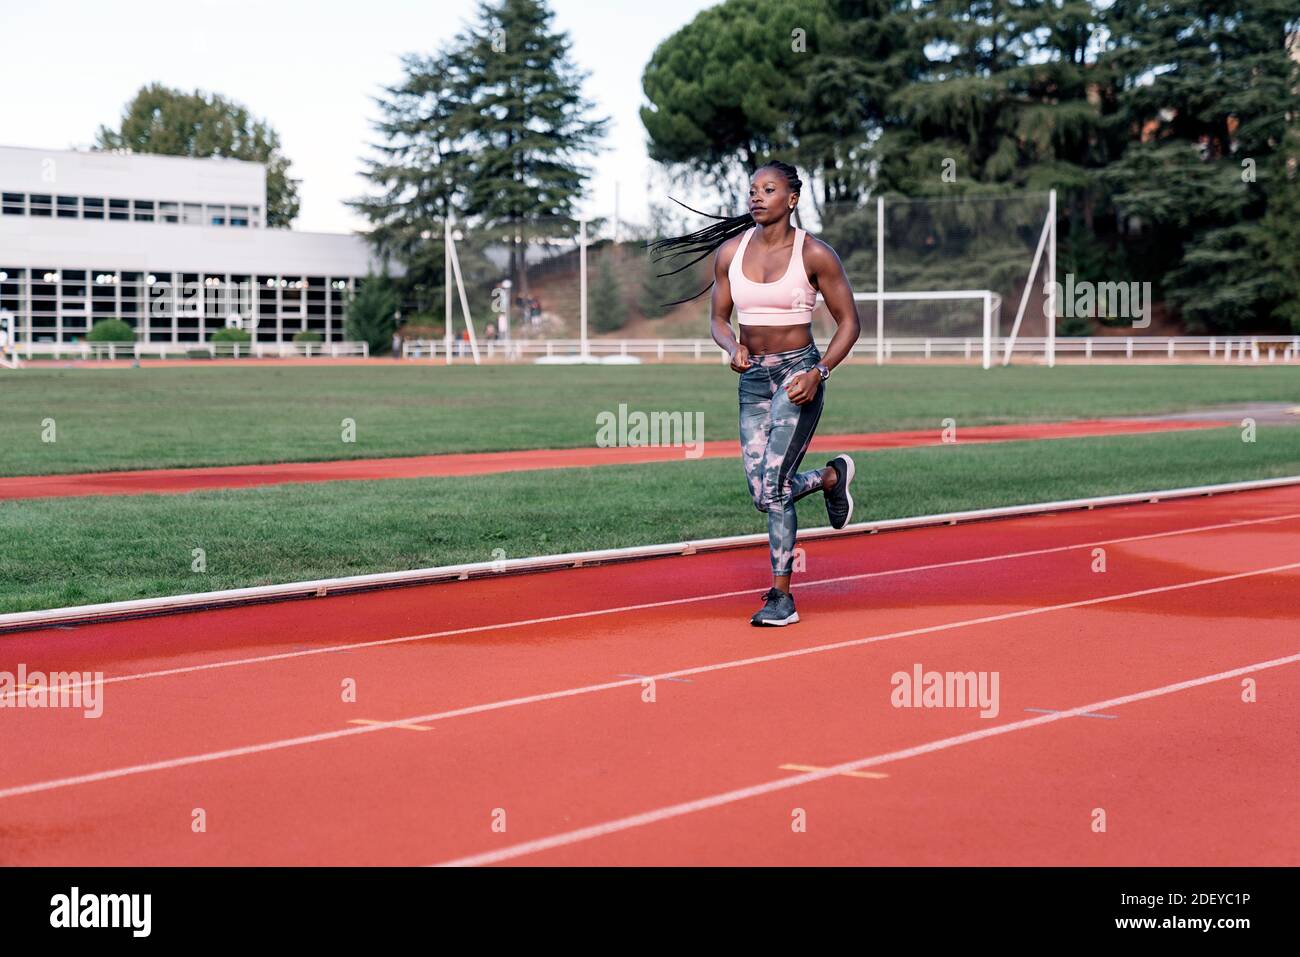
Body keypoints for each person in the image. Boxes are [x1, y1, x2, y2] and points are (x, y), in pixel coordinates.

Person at [649, 161, 861, 627]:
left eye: (769, 189)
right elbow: (719, 320)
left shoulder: (815, 255)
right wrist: (733, 346)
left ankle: (781, 597)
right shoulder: (729, 253)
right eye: (752, 190)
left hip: (797, 375)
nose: (757, 197)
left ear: (792, 199)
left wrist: (820, 372)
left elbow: (850, 323)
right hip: (753, 380)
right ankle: (829, 478)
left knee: (773, 486)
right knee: (761, 491)